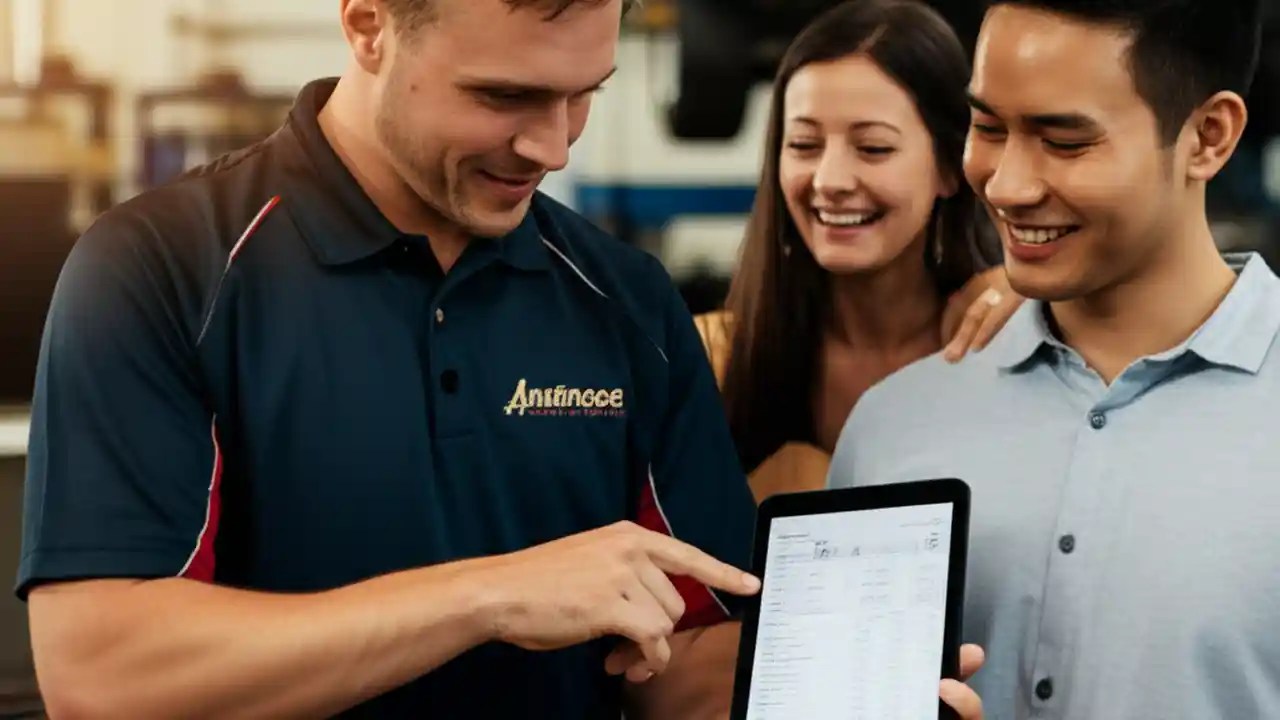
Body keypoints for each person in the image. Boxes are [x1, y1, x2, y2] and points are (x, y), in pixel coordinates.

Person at [15, 1, 985, 719]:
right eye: (505, 96)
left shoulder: (624, 301)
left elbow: (689, 666)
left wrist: (854, 693)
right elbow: (101, 679)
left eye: (582, 97)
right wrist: (488, 595)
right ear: (366, 25)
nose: (551, 145)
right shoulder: (162, 270)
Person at [829, 0, 1275, 717]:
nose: (1006, 184)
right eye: (987, 127)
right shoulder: (893, 427)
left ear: (1208, 137)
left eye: (1064, 142)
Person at [693, 0, 1021, 503]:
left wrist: (1035, 303)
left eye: (873, 149)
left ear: (951, 168)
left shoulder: (1007, 337)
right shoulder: (712, 359)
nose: (830, 181)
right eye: (803, 145)